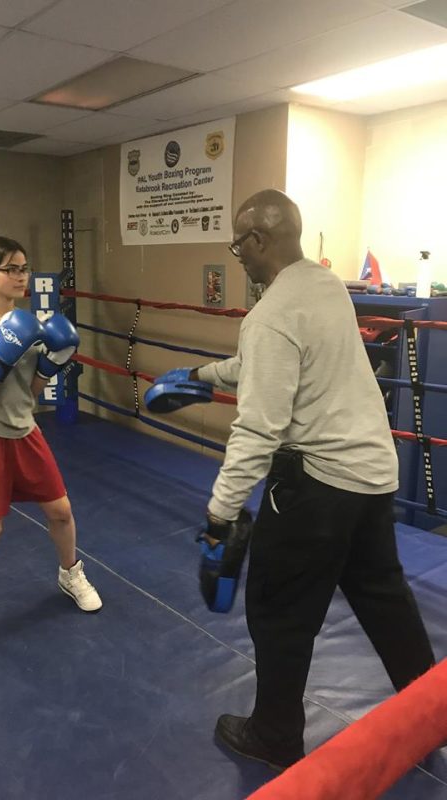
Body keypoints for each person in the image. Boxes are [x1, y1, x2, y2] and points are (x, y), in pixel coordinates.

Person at [155, 190, 435, 770]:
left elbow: (258, 429)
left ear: (258, 241)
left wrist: (220, 512)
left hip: (317, 487)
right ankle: (433, 714)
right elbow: (273, 361)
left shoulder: (271, 315)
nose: (239, 257)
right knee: (385, 599)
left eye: (239, 244)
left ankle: (276, 735)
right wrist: (203, 375)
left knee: (279, 608)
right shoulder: (325, 286)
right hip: (372, 478)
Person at [0, 236, 102, 654]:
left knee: (61, 511)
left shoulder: (30, 323)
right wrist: (2, 355)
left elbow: (28, 393)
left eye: (25, 268)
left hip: (22, 429)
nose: (21, 277)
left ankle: (71, 574)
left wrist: (51, 364)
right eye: (11, 269)